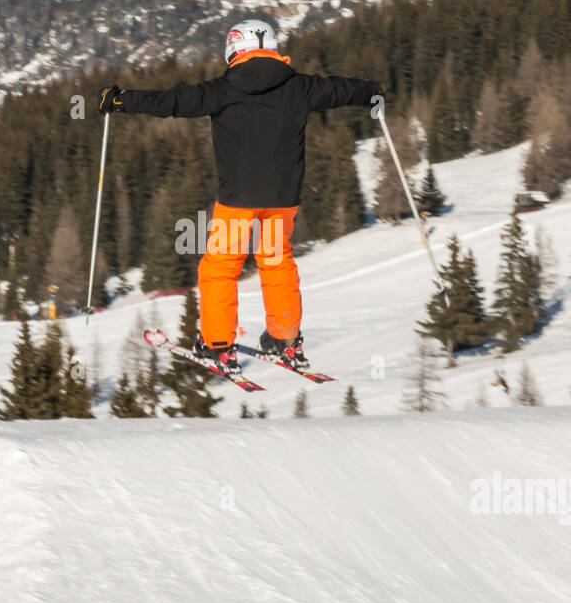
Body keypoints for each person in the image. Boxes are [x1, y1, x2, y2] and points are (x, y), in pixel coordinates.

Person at [98, 19, 379, 375]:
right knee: (277, 265)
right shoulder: (301, 87)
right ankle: (286, 340)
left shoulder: (223, 89)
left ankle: (218, 345)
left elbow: (172, 100)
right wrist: (373, 91)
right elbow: (342, 90)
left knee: (220, 269)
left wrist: (122, 101)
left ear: (233, 49)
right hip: (282, 197)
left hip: (239, 200)